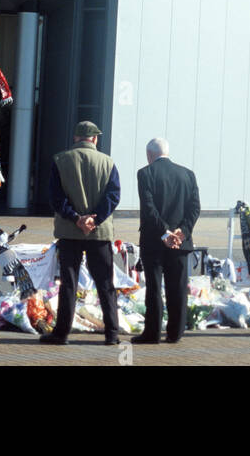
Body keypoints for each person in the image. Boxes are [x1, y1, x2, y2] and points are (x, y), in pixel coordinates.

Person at [41, 120, 122, 345]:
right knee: (105, 283)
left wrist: (77, 218)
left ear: (76, 138)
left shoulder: (61, 160)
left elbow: (56, 198)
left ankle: (61, 334)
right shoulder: (108, 162)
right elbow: (113, 196)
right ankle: (112, 334)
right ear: (95, 139)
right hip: (99, 233)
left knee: (69, 283)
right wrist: (94, 219)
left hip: (69, 232)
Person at [133, 137, 200, 344]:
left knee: (154, 288)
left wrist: (165, 233)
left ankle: (152, 333)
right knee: (178, 287)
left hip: (154, 241)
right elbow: (194, 208)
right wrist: (182, 232)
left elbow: (149, 207)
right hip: (180, 243)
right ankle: (175, 333)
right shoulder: (188, 174)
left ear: (149, 155)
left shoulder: (145, 173)